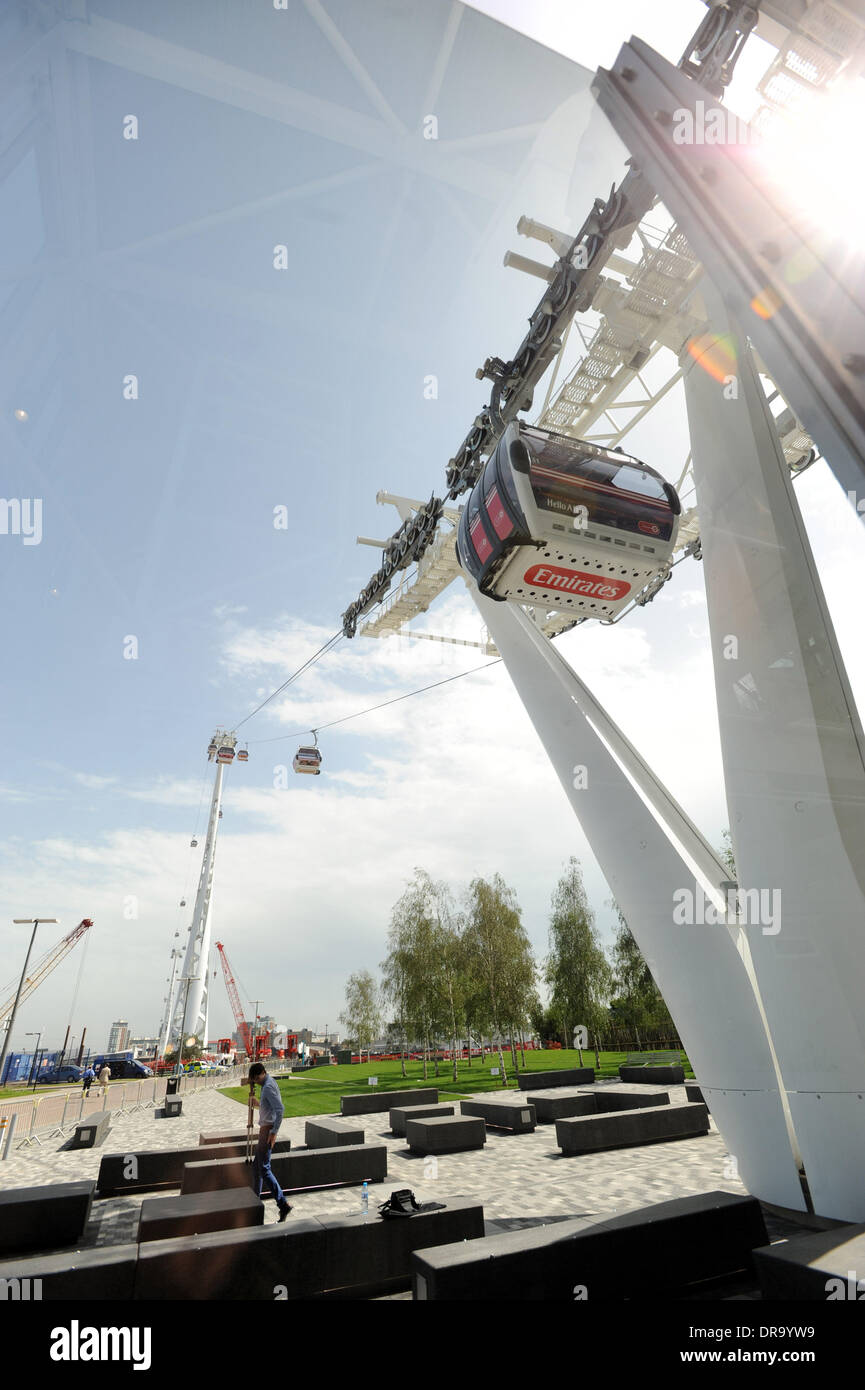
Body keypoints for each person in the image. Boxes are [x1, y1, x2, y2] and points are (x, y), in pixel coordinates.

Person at [247, 1062, 291, 1221]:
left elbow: (280, 1109)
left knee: (264, 1169)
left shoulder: (268, 1086)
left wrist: (273, 1132)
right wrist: (257, 1103)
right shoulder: (267, 1084)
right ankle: (254, 1201)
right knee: (257, 1168)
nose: (256, 1081)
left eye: (257, 1078)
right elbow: (269, 1108)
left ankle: (283, 1204)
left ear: (263, 1073)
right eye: (254, 1079)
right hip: (265, 1129)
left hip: (267, 1131)